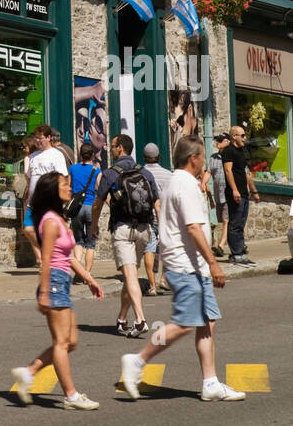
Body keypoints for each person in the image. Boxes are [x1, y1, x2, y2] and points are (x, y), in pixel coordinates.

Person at [120, 135, 245, 403]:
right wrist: (214, 264)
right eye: (202, 157)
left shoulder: (178, 182)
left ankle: (210, 382)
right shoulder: (185, 184)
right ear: (194, 159)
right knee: (186, 322)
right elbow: (193, 228)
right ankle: (137, 360)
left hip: (191, 265)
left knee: (207, 321)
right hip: (186, 265)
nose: (204, 163)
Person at [11, 171, 104, 411]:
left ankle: (29, 372)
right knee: (62, 343)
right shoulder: (51, 222)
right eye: (64, 184)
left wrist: (88, 278)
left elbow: (68, 258)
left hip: (61, 281)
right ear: (53, 190)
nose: (69, 188)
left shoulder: (59, 218)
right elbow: (47, 259)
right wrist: (43, 292)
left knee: (71, 342)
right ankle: (71, 396)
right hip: (52, 281)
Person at [90, 133, 159, 337]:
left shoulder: (110, 174)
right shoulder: (145, 172)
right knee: (131, 277)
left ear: (120, 148)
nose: (110, 150)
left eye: (112, 146)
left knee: (130, 276)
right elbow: (157, 202)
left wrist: (94, 225)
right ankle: (122, 319)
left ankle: (140, 320)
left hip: (122, 229)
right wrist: (160, 227)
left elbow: (98, 203)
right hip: (144, 230)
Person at [23, 126, 68, 266]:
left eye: (40, 138)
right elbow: (30, 178)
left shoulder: (56, 155)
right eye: (36, 138)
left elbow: (62, 177)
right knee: (28, 229)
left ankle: (51, 256)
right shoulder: (34, 156)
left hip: (49, 202)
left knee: (48, 230)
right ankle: (47, 251)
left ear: (49, 138)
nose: (37, 141)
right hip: (33, 201)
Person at [222, 126, 260, 265]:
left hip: (244, 193)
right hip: (235, 193)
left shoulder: (241, 151)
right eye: (242, 135)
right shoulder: (228, 151)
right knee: (235, 223)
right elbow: (228, 171)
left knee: (241, 223)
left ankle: (240, 253)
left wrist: (253, 190)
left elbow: (245, 172)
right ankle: (237, 254)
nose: (245, 138)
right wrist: (234, 190)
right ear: (234, 137)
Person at [140, 143, 174, 296]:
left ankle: (152, 284)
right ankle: (164, 278)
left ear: (144, 157)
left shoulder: (140, 173)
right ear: (159, 157)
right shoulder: (168, 174)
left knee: (150, 249)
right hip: (164, 216)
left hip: (147, 216)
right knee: (166, 248)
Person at [68, 143, 102, 278]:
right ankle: (87, 273)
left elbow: (69, 187)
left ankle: (78, 272)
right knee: (91, 243)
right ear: (92, 155)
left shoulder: (73, 168)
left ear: (80, 153)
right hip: (90, 207)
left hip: (76, 208)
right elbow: (101, 190)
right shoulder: (97, 171)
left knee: (78, 241)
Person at [208, 133, 230, 257]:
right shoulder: (213, 158)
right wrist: (203, 183)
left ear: (227, 142)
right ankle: (239, 244)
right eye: (217, 140)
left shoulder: (232, 156)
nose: (217, 142)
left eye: (220, 140)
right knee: (222, 220)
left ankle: (220, 246)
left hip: (229, 193)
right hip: (218, 195)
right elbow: (208, 172)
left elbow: (244, 173)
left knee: (226, 220)